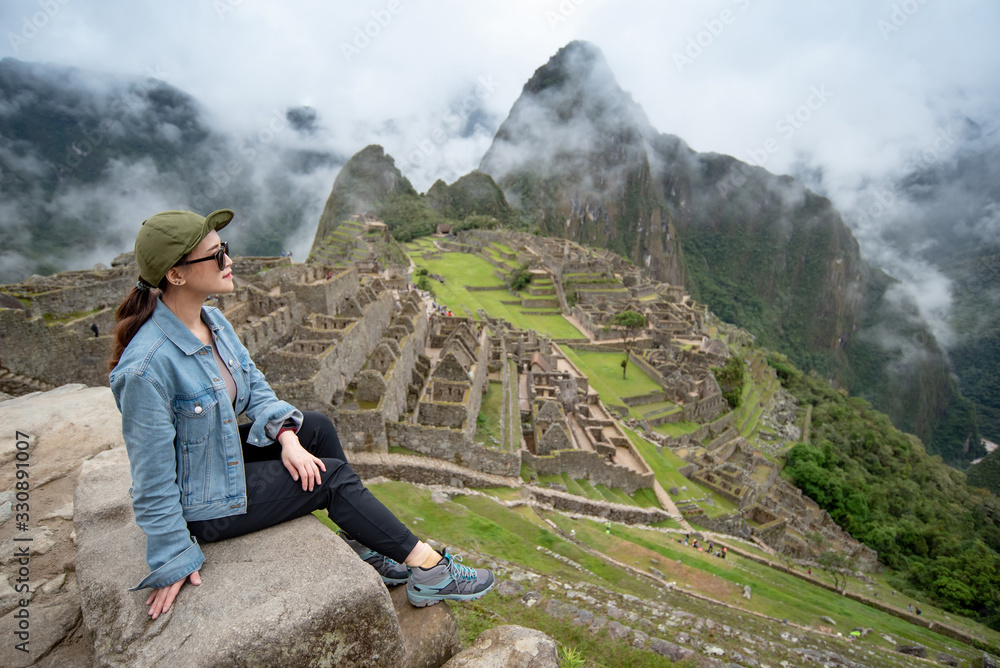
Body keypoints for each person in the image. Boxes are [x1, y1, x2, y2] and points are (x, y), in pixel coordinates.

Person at [108, 209, 494, 620]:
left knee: (317, 428)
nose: (230, 261)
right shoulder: (145, 370)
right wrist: (172, 557)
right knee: (330, 478)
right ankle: (430, 568)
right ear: (176, 275)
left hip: (212, 458)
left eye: (226, 250)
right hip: (203, 502)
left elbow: (255, 388)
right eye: (217, 256)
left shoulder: (212, 321)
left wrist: (288, 439)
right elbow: (150, 478)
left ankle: (366, 541)